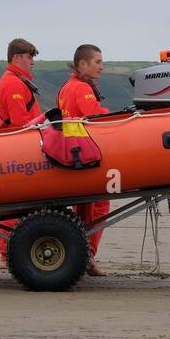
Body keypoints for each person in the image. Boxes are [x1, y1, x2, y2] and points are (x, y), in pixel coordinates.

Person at [57, 44, 110, 276]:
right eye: (97, 62)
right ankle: (88, 256)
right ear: (82, 64)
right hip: (85, 159)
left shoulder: (66, 87)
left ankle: (82, 255)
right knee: (98, 208)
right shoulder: (81, 89)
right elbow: (96, 115)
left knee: (83, 211)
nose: (101, 66)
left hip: (72, 157)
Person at [0, 39, 43, 263]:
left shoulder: (16, 81)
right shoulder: (13, 84)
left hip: (16, 149)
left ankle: (7, 253)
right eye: (29, 56)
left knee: (18, 207)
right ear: (16, 58)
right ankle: (7, 254)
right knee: (16, 207)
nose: (32, 61)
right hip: (18, 151)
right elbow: (20, 123)